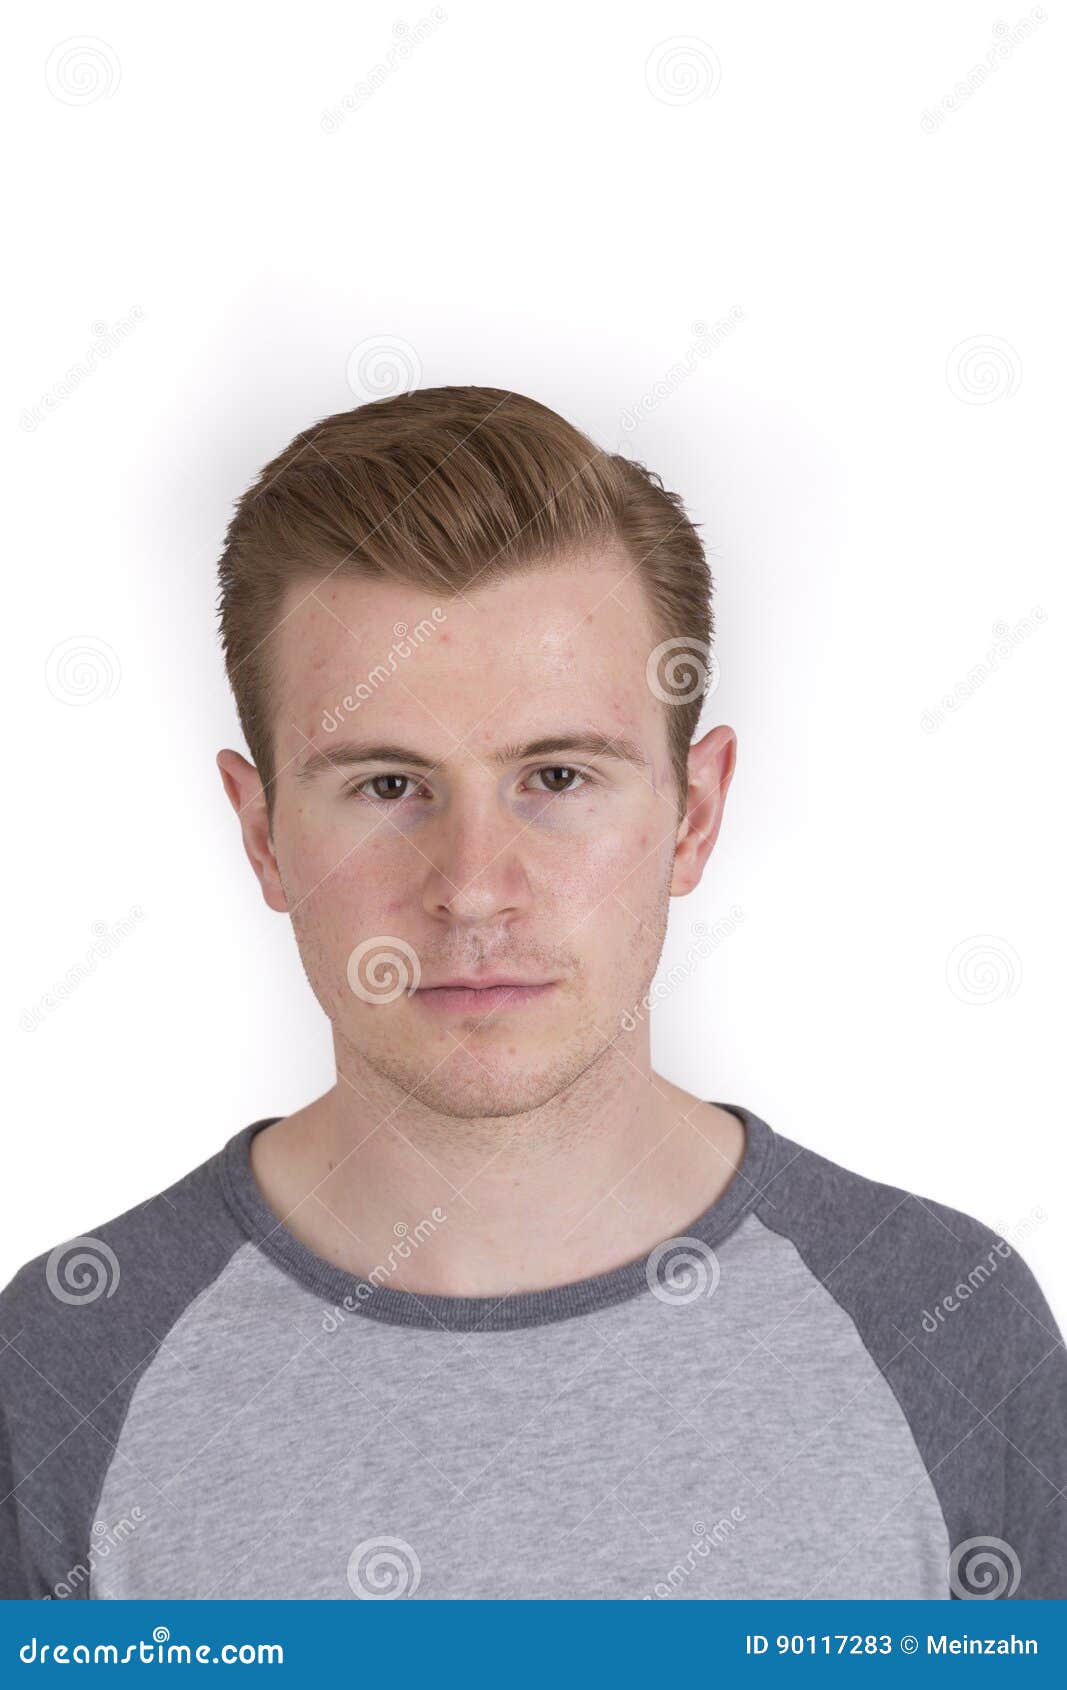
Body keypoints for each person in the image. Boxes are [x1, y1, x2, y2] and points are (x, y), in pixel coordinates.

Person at [2, 388, 1064, 1601]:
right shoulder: (66, 1358)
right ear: (262, 834)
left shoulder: (942, 1323)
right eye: (388, 785)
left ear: (693, 812)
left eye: (556, 775)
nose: (470, 890)